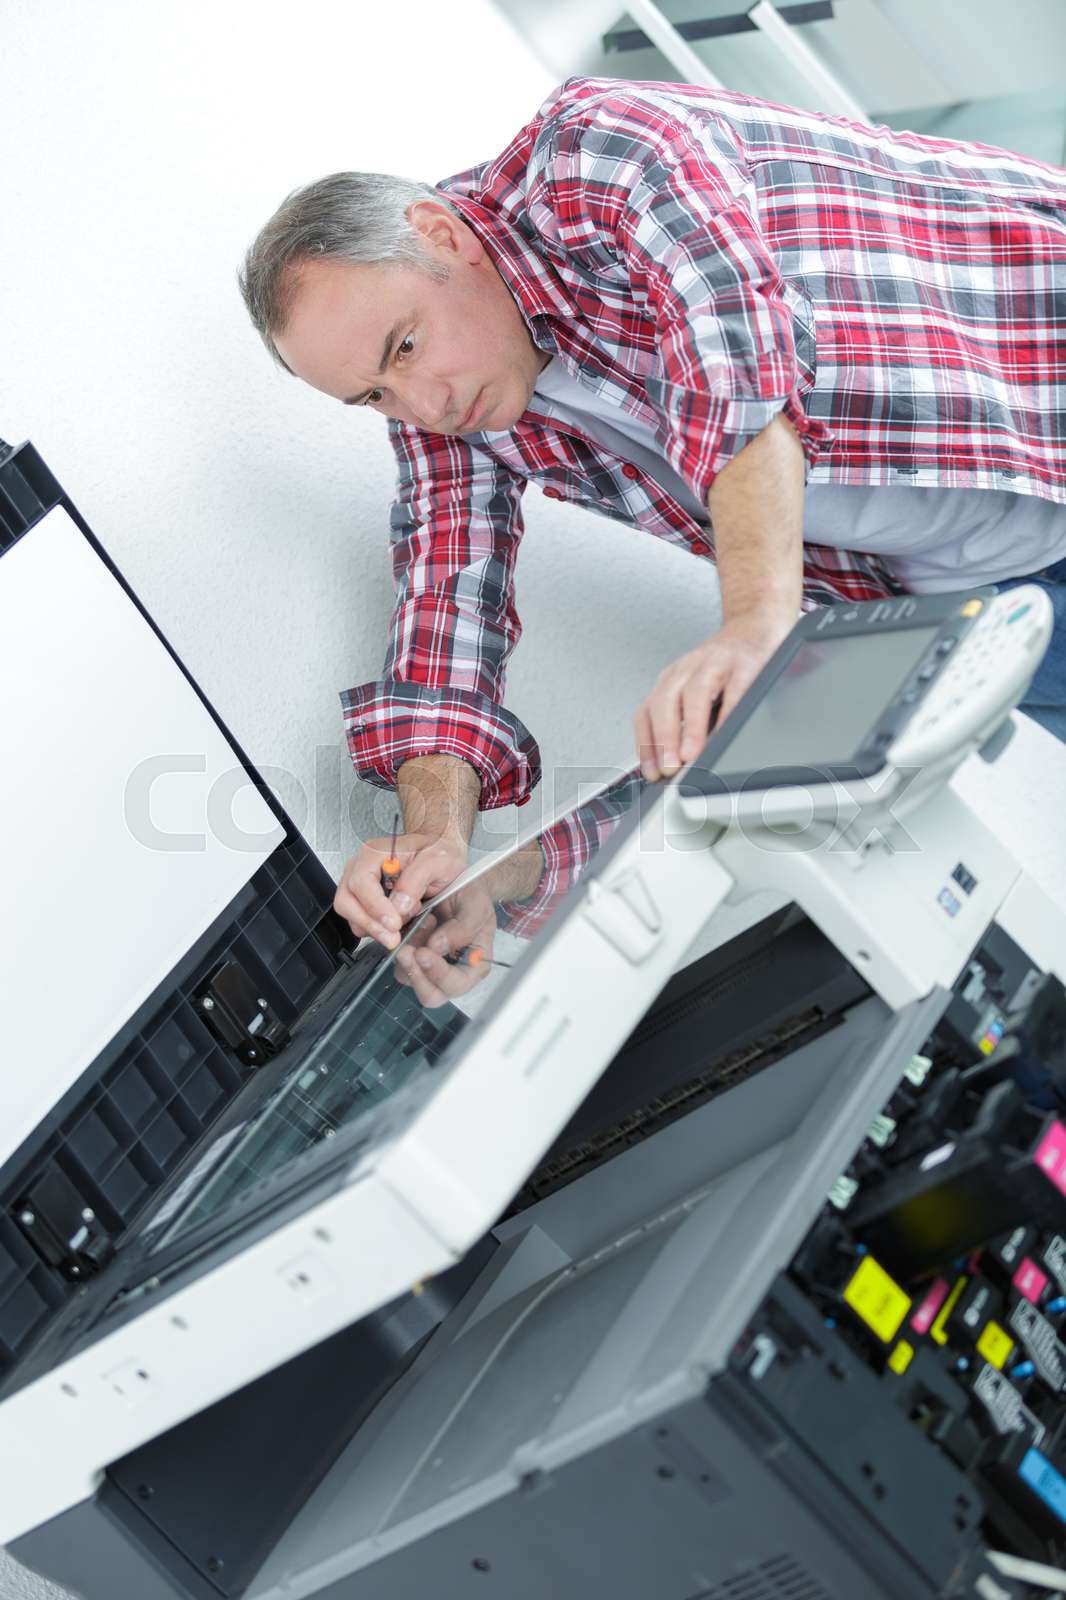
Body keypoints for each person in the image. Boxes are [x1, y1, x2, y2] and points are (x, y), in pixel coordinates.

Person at [238, 75, 1066, 951]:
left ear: (444, 238)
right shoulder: (458, 406)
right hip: (986, 592)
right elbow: (445, 606)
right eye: (375, 395)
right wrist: (441, 840)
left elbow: (734, 356)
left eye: (405, 346)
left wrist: (753, 627)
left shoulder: (595, 152)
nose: (423, 403)